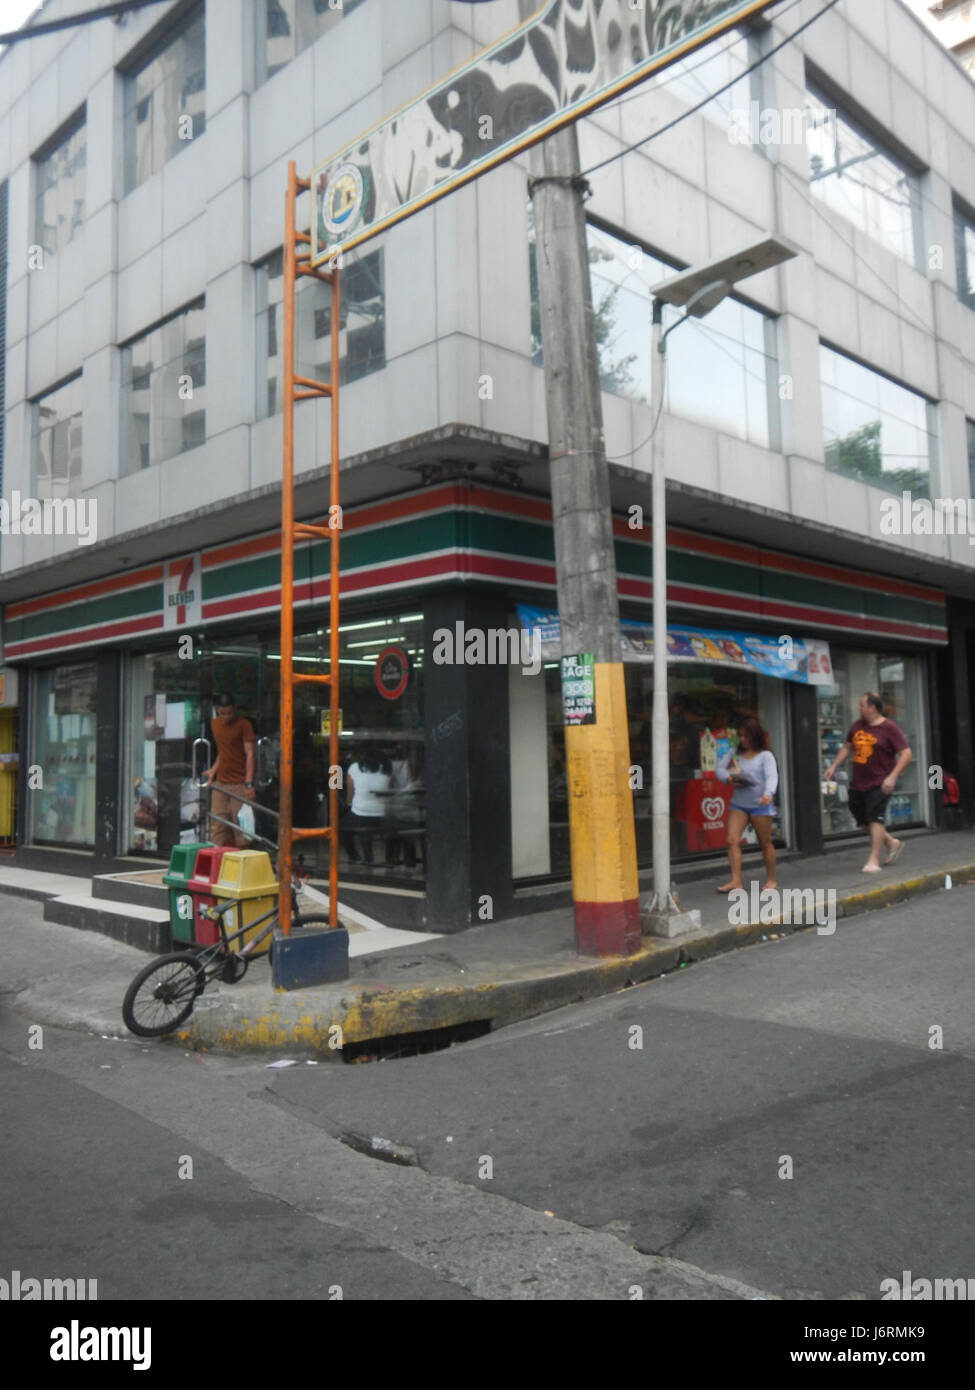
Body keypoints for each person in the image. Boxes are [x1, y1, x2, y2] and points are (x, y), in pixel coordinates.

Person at [825, 692, 911, 873]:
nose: (859, 708)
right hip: (859, 782)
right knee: (863, 818)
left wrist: (892, 776)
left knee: (875, 818)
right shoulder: (857, 725)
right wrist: (833, 766)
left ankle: (873, 860)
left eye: (862, 705)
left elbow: (906, 753)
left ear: (872, 708)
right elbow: (847, 746)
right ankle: (891, 842)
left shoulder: (889, 728)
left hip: (880, 782)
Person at [715, 717, 778, 893]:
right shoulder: (734, 752)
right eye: (741, 736)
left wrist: (768, 794)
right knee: (731, 839)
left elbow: (772, 776)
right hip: (739, 804)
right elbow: (719, 768)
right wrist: (728, 778)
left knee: (764, 842)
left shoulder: (766, 756)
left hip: (760, 804)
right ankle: (736, 880)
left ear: (755, 736)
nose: (743, 740)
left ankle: (771, 879)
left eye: (747, 736)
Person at [203, 693, 256, 848]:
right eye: (222, 713)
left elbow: (250, 754)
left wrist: (248, 783)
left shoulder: (244, 725)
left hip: (239, 784)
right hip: (221, 783)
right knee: (217, 827)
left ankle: (242, 863)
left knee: (242, 829)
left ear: (235, 709)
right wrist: (213, 770)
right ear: (217, 710)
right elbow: (224, 751)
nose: (226, 717)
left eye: (230, 713)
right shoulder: (214, 724)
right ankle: (218, 862)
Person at [342, 745, 392, 864]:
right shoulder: (386, 769)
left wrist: (348, 804)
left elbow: (350, 792)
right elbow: (389, 790)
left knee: (341, 830)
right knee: (366, 831)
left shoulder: (354, 768)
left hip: (360, 812)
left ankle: (355, 857)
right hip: (382, 814)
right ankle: (388, 860)